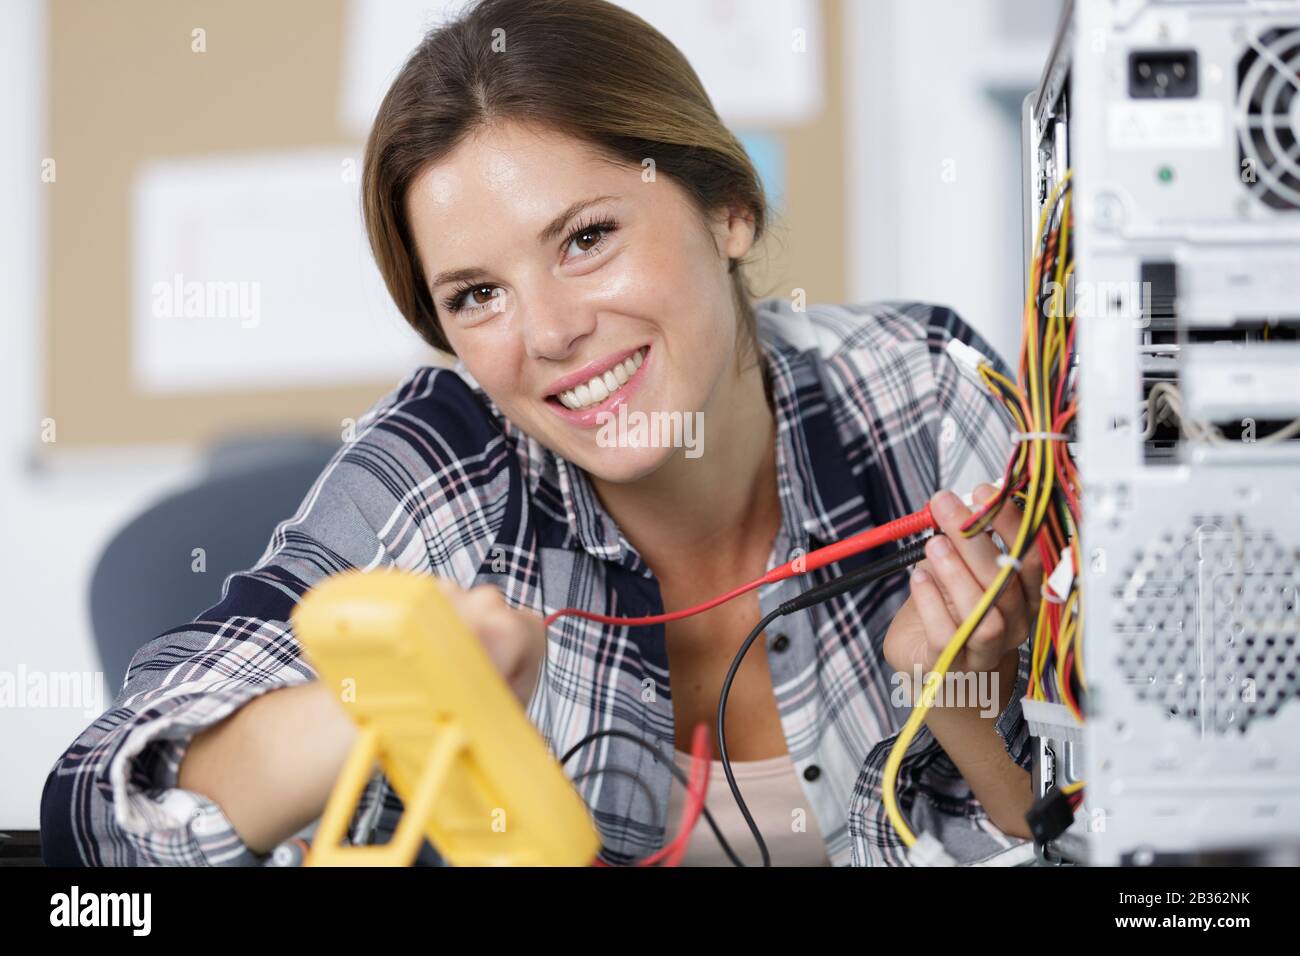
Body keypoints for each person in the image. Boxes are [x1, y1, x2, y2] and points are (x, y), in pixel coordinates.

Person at [41, 0, 1041, 867]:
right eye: (477, 295)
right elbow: (96, 810)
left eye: (587, 237)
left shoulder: (921, 392)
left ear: (728, 208)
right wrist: (401, 698)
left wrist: (966, 721)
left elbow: (1129, 839)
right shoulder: (445, 467)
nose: (549, 334)